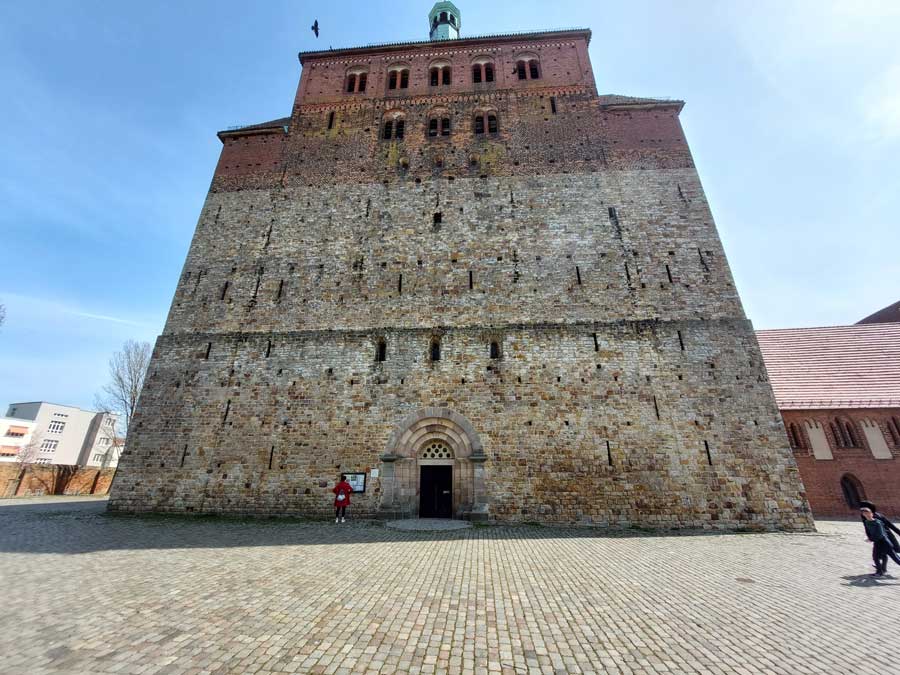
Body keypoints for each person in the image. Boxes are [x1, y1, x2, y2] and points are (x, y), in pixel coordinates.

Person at [861, 507, 900, 576]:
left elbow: (880, 534)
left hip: (885, 543)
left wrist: (871, 539)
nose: (867, 515)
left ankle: (881, 571)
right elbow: (869, 532)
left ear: (872, 514)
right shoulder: (866, 522)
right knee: (875, 557)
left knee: (895, 558)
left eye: (868, 513)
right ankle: (880, 571)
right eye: (865, 514)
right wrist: (869, 537)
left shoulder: (877, 523)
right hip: (877, 543)